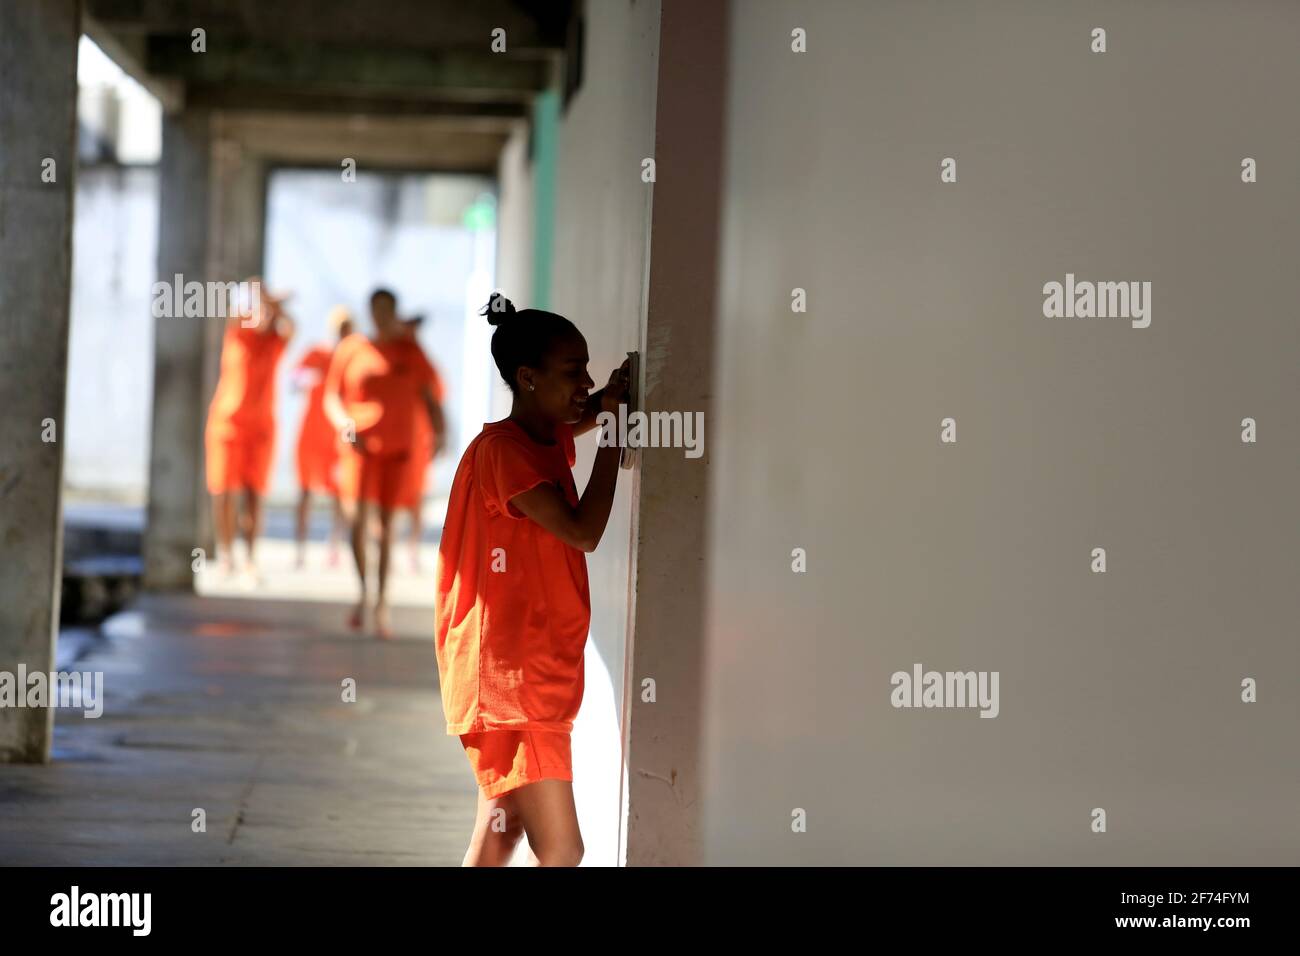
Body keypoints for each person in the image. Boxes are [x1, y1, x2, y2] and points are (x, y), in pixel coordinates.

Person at [434, 293, 630, 867]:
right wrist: (615, 434)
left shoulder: (541, 441)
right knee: (563, 851)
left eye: (588, 369)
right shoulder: (504, 453)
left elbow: (579, 414)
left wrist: (609, 400)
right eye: (573, 371)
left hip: (522, 675)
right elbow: (582, 530)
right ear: (527, 378)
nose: (585, 382)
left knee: (500, 832)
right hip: (510, 681)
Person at [323, 288, 445, 638]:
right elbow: (331, 396)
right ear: (369, 311)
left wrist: (439, 432)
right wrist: (343, 423)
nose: (380, 315)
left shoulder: (409, 349)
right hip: (360, 444)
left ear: (394, 310)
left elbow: (429, 393)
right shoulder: (352, 349)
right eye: (375, 309)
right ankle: (363, 592)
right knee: (357, 520)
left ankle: (381, 601)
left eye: (386, 309)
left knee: (387, 525)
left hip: (400, 447)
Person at [203, 279, 294, 582]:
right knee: (224, 492)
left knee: (255, 494)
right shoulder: (238, 333)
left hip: (262, 428)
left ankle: (250, 557)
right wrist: (264, 296)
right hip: (227, 425)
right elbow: (236, 312)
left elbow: (291, 326)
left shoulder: (275, 342)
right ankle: (226, 554)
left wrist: (275, 307)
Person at [292, 305, 353, 569]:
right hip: (311, 433)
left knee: (340, 493)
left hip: (337, 435)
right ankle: (300, 547)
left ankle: (334, 545)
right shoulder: (316, 352)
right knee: (305, 491)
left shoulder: (352, 358)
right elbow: (294, 379)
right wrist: (308, 378)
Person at [393, 314, 445, 573]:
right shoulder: (389, 353)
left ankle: (410, 549)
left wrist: (439, 435)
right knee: (388, 499)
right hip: (391, 438)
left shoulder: (420, 359)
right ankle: (387, 549)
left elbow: (436, 397)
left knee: (415, 496)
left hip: (416, 440)